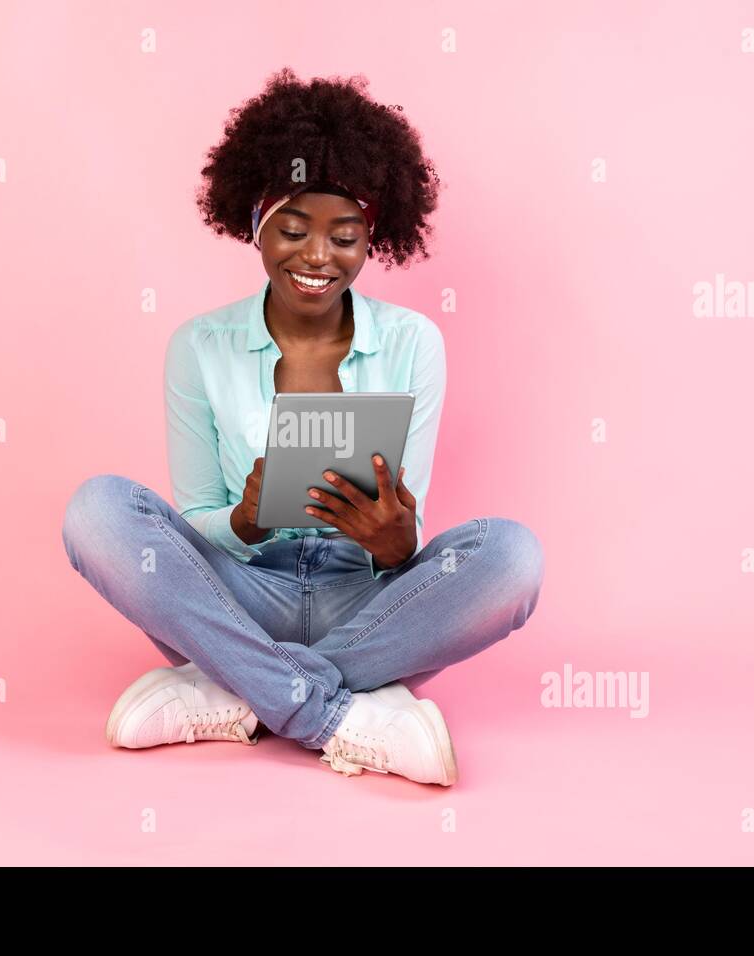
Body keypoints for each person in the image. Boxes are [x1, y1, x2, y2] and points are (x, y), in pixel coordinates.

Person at [62, 68, 544, 786]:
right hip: (240, 594)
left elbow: (407, 524)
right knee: (95, 512)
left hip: (369, 602)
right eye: (293, 230)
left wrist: (395, 542)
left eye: (344, 237)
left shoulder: (414, 344)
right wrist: (246, 521)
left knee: (512, 558)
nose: (318, 257)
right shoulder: (199, 346)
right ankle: (341, 716)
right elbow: (193, 523)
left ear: (372, 239)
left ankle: (235, 690)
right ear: (255, 224)